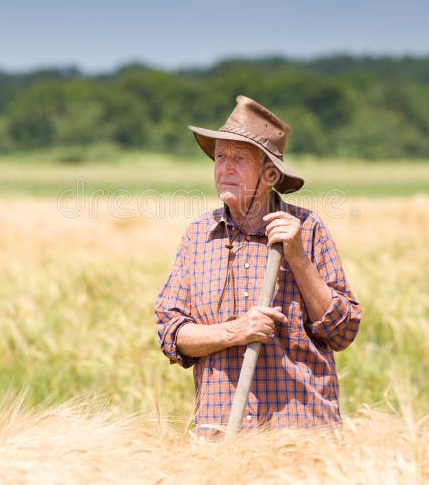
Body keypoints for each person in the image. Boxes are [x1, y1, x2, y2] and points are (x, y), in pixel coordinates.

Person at [154, 95, 362, 436]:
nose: (225, 168)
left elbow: (342, 331)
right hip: (222, 438)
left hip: (302, 439)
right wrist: (236, 331)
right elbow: (171, 334)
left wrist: (297, 257)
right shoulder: (198, 236)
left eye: (239, 158)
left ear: (269, 174)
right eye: (220, 157)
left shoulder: (308, 230)